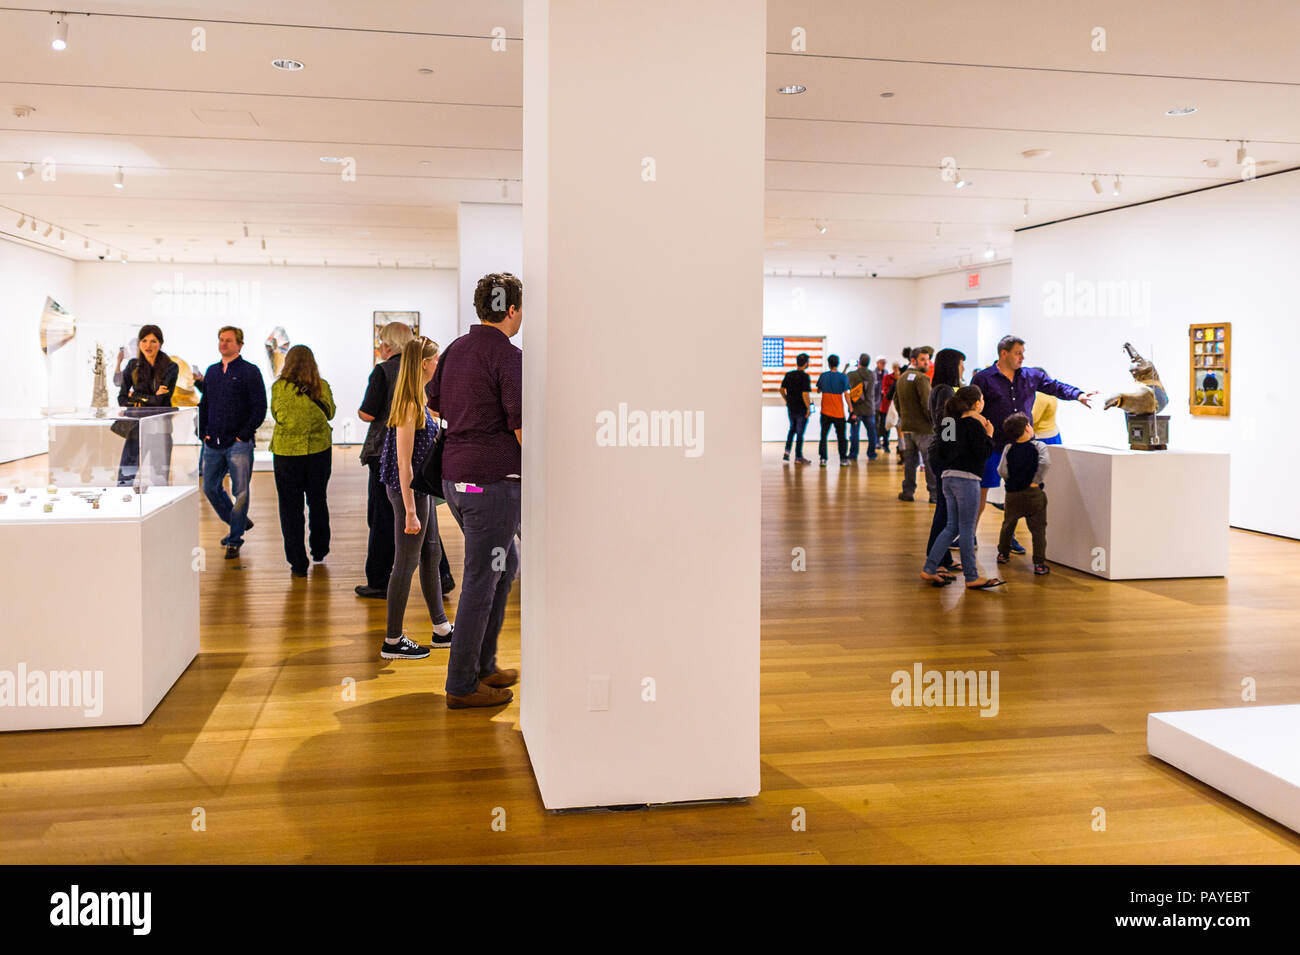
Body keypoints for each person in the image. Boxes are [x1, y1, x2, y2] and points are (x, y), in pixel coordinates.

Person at [428, 272, 523, 709]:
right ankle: (462, 685)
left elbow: (434, 404)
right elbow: (520, 428)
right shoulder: (507, 356)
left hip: (456, 482)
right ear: (512, 310)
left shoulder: (455, 350)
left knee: (504, 565)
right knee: (483, 579)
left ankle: (483, 665)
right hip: (490, 485)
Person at [356, 324, 456, 599]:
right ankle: (441, 579)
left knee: (385, 519)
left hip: (386, 454)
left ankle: (379, 580)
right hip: (408, 463)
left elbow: (368, 412)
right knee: (419, 528)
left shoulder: (384, 372)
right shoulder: (413, 391)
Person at [971, 336, 1096, 552]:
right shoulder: (984, 379)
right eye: (1018, 353)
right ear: (1004, 353)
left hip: (1021, 447)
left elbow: (1055, 386)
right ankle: (969, 536)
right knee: (980, 492)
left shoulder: (1031, 375)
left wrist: (1078, 395)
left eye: (1022, 353)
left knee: (1016, 495)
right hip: (992, 446)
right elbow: (972, 407)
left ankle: (1008, 537)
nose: (1022, 357)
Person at [378, 337, 454, 660]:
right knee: (405, 563)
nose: (437, 365)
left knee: (431, 554)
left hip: (420, 489)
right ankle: (393, 640)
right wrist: (410, 510)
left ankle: (441, 628)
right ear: (424, 363)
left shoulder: (418, 398)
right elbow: (403, 461)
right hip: (409, 491)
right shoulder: (409, 404)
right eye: (435, 360)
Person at [921, 386, 1003, 590]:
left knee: (952, 526)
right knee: (966, 528)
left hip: (947, 477)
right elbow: (982, 453)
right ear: (977, 404)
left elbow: (945, 450)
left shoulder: (949, 422)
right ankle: (971, 576)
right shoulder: (975, 425)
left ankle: (930, 568)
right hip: (967, 479)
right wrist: (989, 435)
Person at [196, 326, 266, 559]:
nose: (223, 343)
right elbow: (205, 404)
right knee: (210, 487)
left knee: (241, 492)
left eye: (228, 340)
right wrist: (203, 432)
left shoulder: (250, 371)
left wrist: (243, 434)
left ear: (239, 345)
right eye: (221, 340)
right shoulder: (213, 372)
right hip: (212, 441)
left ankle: (235, 538)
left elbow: (259, 407)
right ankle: (239, 522)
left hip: (238, 443)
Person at [270, 345, 335, 578]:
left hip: (286, 453)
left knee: (290, 507)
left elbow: (277, 414)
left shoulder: (279, 387)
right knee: (318, 500)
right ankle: (319, 549)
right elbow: (331, 413)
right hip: (319, 451)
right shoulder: (322, 386)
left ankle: (297, 561)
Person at [115, 324, 178, 487]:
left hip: (160, 429)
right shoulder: (132, 366)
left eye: (153, 341)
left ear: (160, 343)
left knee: (159, 479)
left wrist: (135, 397)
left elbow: (161, 401)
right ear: (139, 343)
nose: (148, 345)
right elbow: (122, 399)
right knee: (124, 479)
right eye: (144, 340)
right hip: (136, 427)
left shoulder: (171, 367)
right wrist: (150, 397)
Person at [923, 347, 965, 575]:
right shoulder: (946, 390)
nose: (963, 368)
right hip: (943, 453)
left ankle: (943, 557)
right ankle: (935, 557)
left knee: (945, 507)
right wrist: (952, 450)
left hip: (938, 450)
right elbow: (946, 422)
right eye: (960, 363)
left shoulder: (937, 388)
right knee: (945, 510)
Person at [996, 413, 1051, 576]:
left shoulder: (1008, 448)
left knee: (1008, 524)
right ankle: (1039, 563)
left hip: (1013, 493)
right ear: (1027, 428)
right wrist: (1035, 480)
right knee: (1038, 529)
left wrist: (1011, 481)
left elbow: (1001, 470)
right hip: (1033, 493)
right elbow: (1045, 463)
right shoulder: (1039, 446)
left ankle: (1003, 554)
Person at [894, 345, 936, 501]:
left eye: (928, 360)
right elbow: (927, 404)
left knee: (910, 462)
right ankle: (934, 494)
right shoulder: (922, 378)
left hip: (907, 427)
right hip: (924, 428)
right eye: (923, 360)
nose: (927, 363)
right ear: (913, 360)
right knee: (929, 462)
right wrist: (934, 422)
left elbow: (896, 402)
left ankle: (908, 491)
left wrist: (904, 417)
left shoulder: (902, 377)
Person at [815, 354, 850, 467]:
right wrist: (851, 407)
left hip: (825, 411)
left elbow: (818, 390)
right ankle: (843, 459)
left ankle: (823, 459)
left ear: (828, 363)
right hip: (838, 412)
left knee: (823, 435)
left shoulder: (823, 376)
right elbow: (846, 394)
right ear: (838, 363)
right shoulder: (842, 377)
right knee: (841, 437)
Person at [779, 352, 812, 464]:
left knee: (792, 429)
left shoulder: (789, 374)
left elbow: (781, 389)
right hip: (801, 408)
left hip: (791, 407)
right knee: (799, 433)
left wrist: (787, 399)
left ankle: (787, 452)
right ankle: (798, 456)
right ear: (806, 363)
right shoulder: (805, 377)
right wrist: (808, 408)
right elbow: (805, 394)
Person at [846, 353, 877, 462]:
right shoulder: (872, 375)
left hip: (856, 408)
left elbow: (844, 379)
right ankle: (872, 453)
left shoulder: (852, 374)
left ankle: (853, 454)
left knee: (854, 432)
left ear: (859, 362)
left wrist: (846, 367)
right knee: (872, 432)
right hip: (869, 407)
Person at [877, 360, 896, 454]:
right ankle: (885, 444)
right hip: (886, 406)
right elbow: (885, 392)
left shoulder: (898, 378)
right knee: (884, 427)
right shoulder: (887, 377)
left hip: (896, 407)